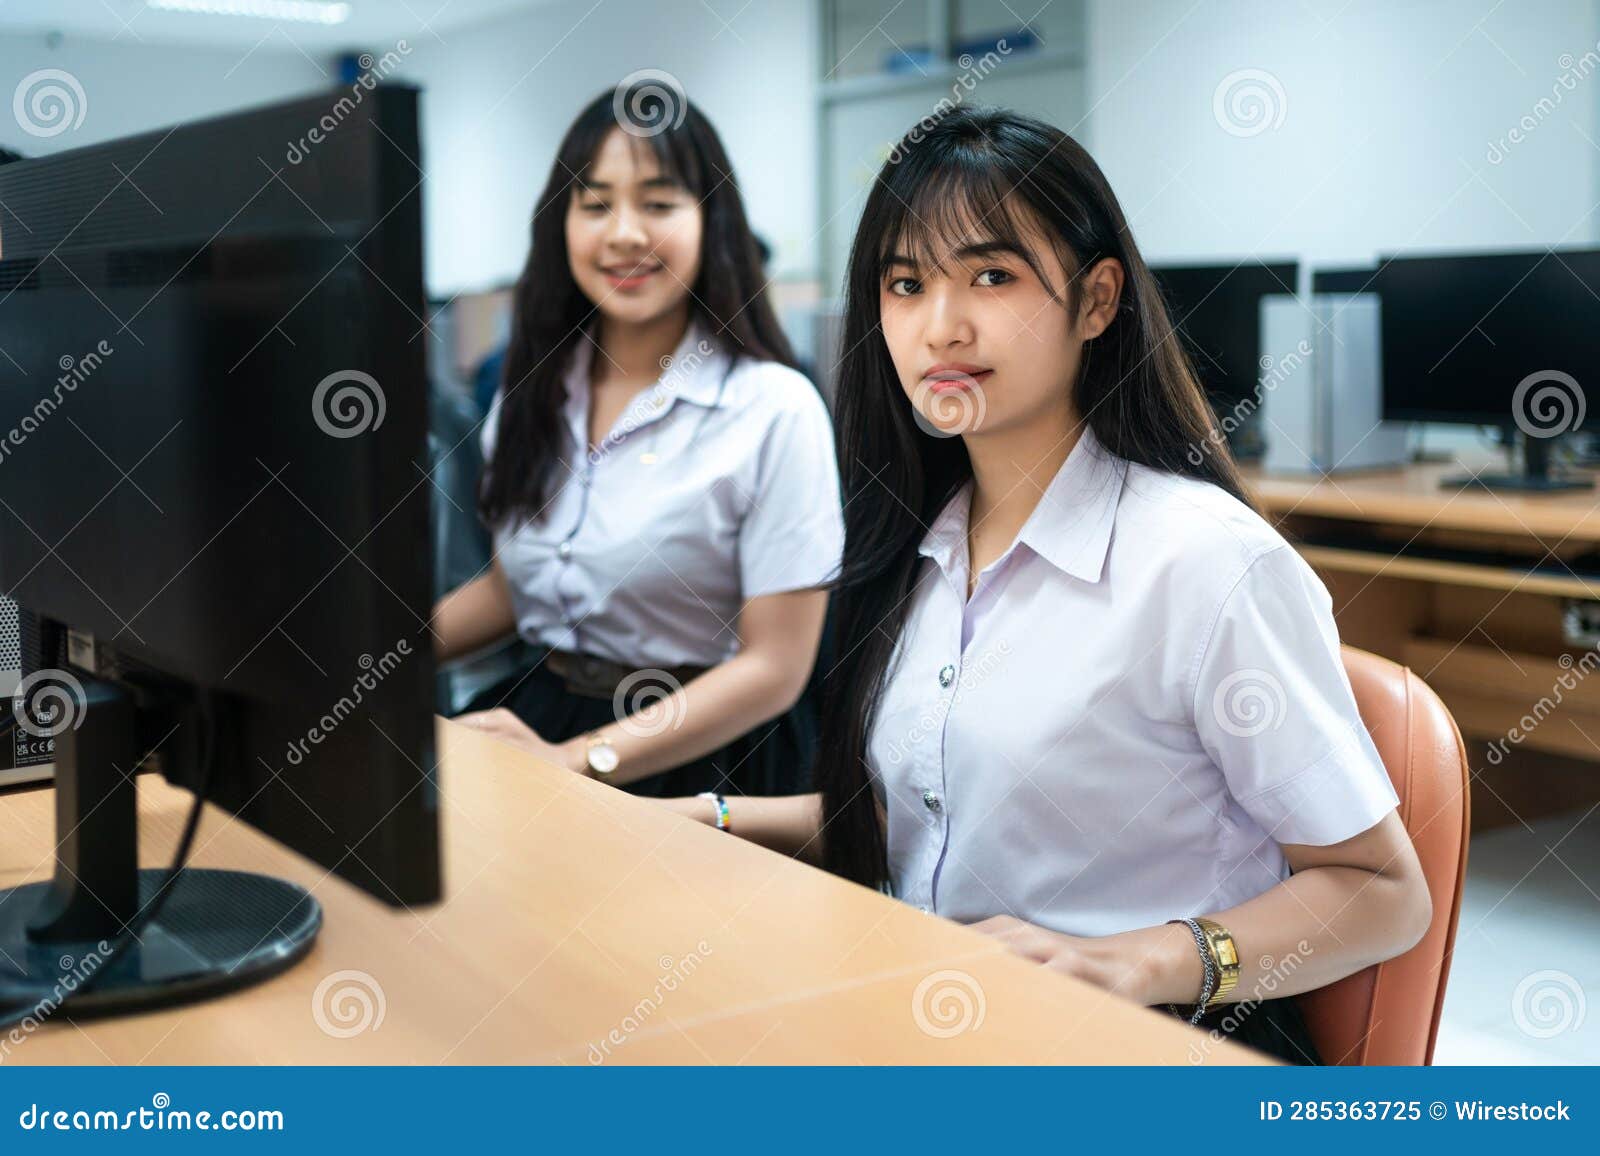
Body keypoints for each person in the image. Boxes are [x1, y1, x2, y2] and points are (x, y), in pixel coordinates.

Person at [657, 106, 1433, 1065]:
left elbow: (1384, 891)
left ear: (1097, 300)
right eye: (905, 284)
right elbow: (939, 814)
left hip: (1154, 1044)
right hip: (949, 1027)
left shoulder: (1204, 563)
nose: (941, 324)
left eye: (992, 275)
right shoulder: (918, 547)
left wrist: (1135, 963)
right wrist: (718, 818)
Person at [434, 83, 842, 799]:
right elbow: (510, 588)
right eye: (594, 204)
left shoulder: (774, 409)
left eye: (657, 203)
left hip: (703, 754)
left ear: (712, 220)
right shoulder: (534, 389)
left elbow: (776, 666)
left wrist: (578, 762)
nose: (623, 232)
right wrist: (360, 663)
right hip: (543, 715)